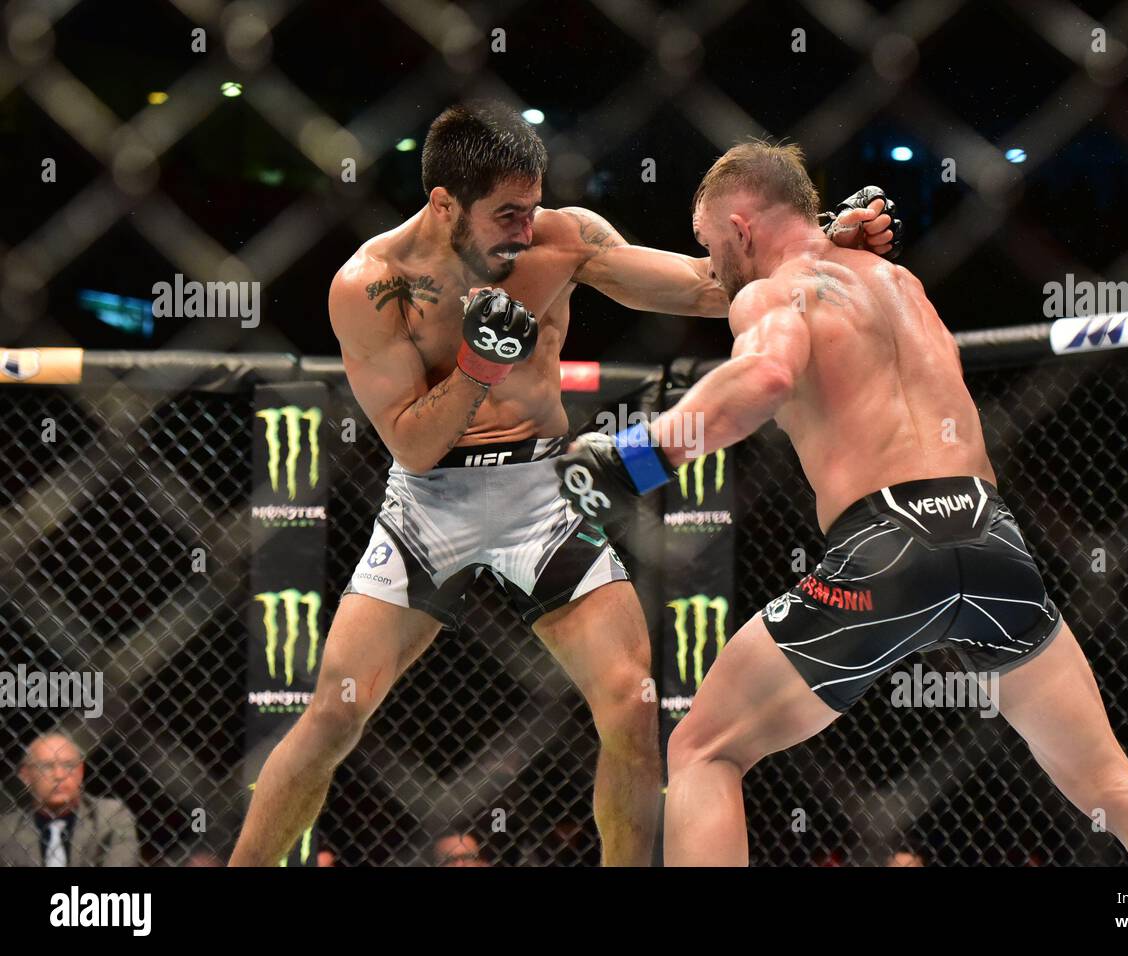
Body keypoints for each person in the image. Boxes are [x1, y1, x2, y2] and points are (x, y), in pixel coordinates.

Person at [229, 101, 897, 867]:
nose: (524, 229)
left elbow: (709, 285)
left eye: (533, 207)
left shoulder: (561, 237)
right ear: (444, 203)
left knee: (632, 705)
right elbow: (412, 443)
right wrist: (479, 366)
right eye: (506, 213)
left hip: (545, 493)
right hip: (431, 502)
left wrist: (819, 249)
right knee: (332, 718)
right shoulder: (372, 285)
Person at [555, 140, 1128, 867]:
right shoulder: (903, 284)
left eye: (711, 245)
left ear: (742, 227)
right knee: (1112, 786)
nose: (712, 268)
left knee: (703, 749)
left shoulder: (771, 293)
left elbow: (764, 379)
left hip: (889, 546)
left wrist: (634, 456)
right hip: (990, 535)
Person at [0, 732, 140, 867]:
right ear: (25, 775)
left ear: (80, 771)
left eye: (68, 765)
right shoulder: (5, 830)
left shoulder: (112, 816)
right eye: (47, 766)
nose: (59, 775)